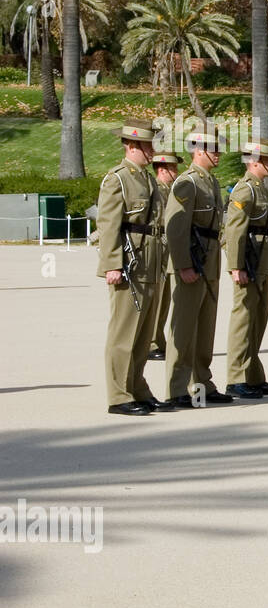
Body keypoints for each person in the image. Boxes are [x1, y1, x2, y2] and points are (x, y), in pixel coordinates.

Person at [98, 119, 169, 415]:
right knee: (124, 333)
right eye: (149, 144)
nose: (154, 150)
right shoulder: (118, 179)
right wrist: (112, 264)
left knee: (143, 334)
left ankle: (138, 387)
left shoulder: (147, 178)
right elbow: (108, 224)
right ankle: (118, 395)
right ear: (132, 146)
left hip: (150, 262)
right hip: (130, 262)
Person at [164, 129, 231, 407]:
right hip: (192, 262)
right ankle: (177, 388)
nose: (218, 153)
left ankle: (202, 383)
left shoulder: (211, 183)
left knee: (205, 327)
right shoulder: (187, 183)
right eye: (213, 148)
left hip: (209, 261)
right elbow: (177, 228)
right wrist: (183, 266)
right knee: (184, 328)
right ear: (198, 150)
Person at [224, 138, 268, 399]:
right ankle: (236, 376)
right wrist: (236, 266)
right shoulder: (245, 189)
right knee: (243, 320)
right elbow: (234, 230)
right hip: (248, 261)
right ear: (254, 161)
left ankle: (253, 375)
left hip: (260, 261)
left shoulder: (260, 189)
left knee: (258, 319)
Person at [147, 149, 181, 361]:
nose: (176, 172)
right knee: (158, 297)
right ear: (162, 169)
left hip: (168, 248)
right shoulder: (156, 190)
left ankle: (158, 339)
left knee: (165, 297)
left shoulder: (169, 190)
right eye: (172, 168)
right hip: (159, 246)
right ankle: (151, 342)